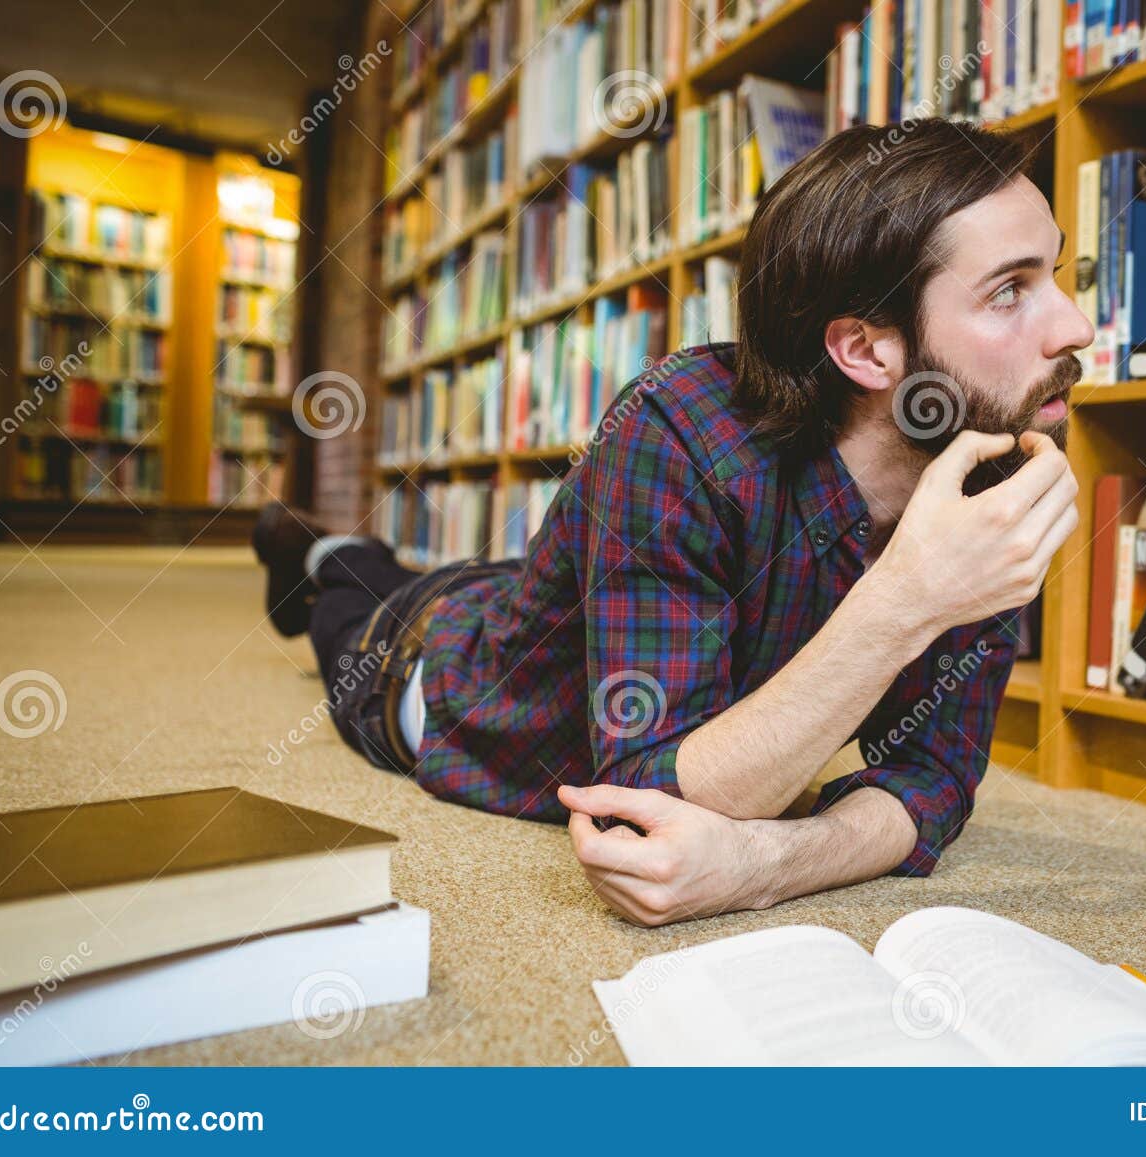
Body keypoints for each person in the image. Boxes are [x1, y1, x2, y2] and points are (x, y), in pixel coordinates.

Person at [253, 117, 1092, 927]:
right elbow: (648, 796)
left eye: (1055, 275)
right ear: (868, 352)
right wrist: (908, 599)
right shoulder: (681, 427)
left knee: (458, 579)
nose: (1074, 327)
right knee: (354, 600)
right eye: (1009, 292)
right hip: (427, 664)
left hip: (551, 606)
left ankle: (340, 551)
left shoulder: (991, 469)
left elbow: (933, 779)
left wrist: (765, 862)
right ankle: (320, 552)